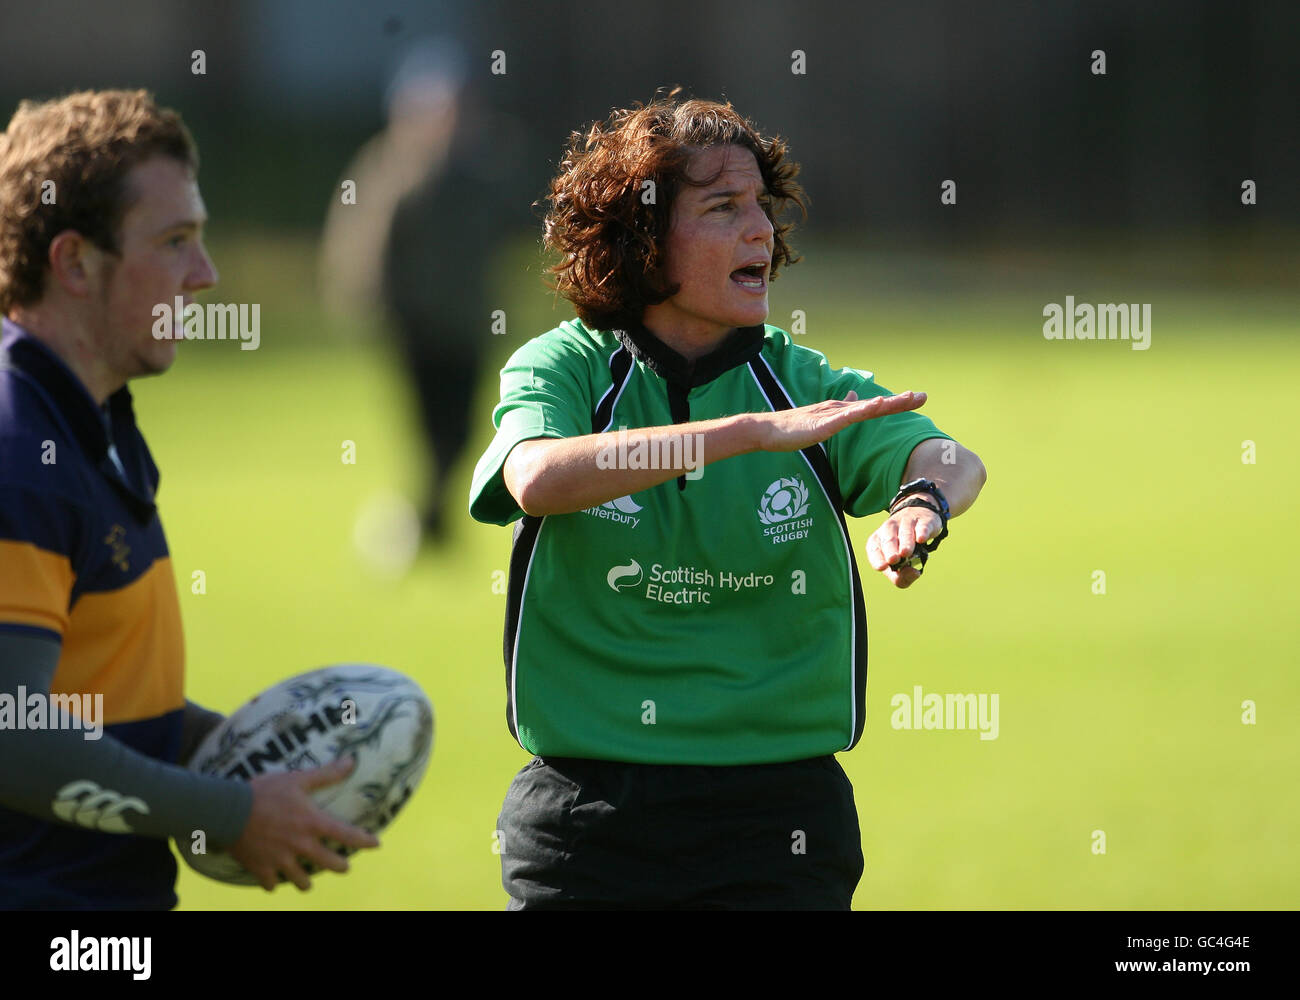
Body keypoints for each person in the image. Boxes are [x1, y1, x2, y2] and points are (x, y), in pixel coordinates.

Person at [468, 92, 988, 910]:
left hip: (778, 821)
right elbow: (536, 477)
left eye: (762, 207)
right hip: (588, 818)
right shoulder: (564, 367)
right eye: (723, 208)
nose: (763, 232)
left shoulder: (801, 384)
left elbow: (950, 454)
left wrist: (919, 502)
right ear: (643, 238)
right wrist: (744, 434)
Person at [0, 89, 377, 908]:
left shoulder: (88, 418)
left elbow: (91, 692)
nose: (204, 277)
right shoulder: (17, 450)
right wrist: (229, 809)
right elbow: (13, 737)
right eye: (175, 242)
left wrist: (240, 745)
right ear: (73, 263)